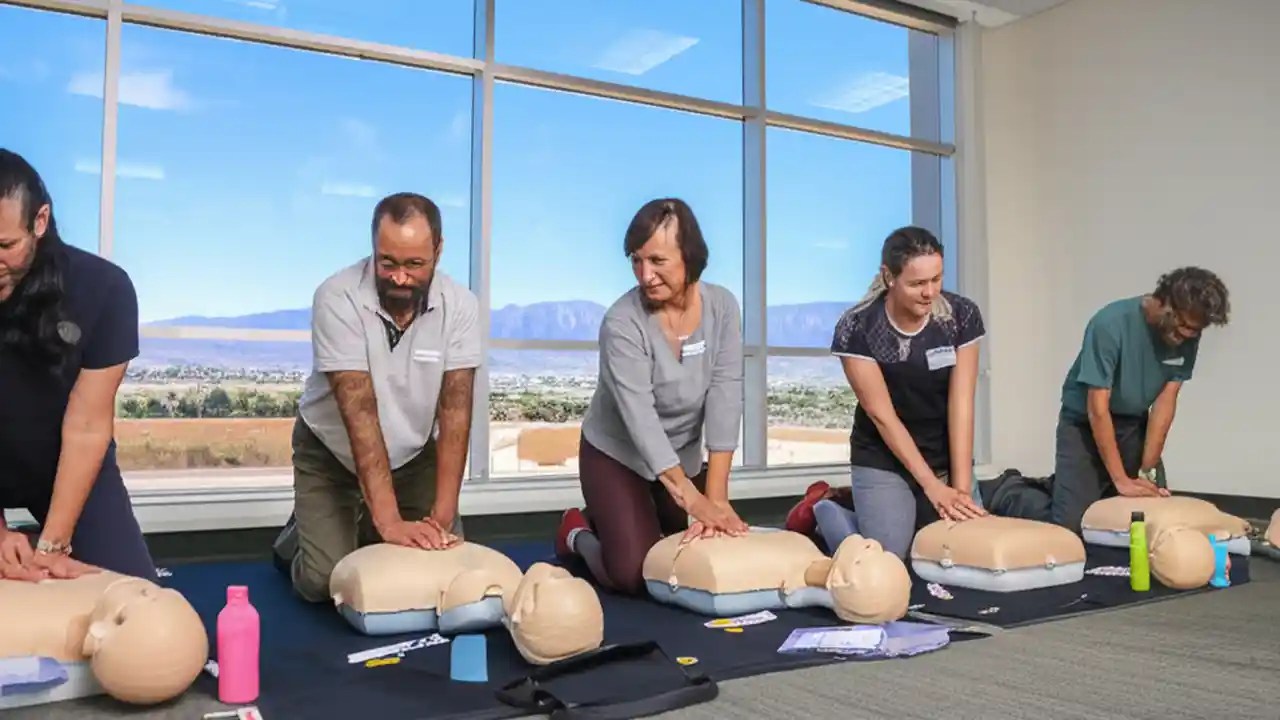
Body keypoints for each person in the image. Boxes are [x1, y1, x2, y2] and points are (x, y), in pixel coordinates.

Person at [271, 192, 482, 603]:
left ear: (438, 251)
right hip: (331, 453)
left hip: (413, 455)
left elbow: (455, 412)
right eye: (388, 262)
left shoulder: (461, 306)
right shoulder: (337, 297)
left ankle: (364, 520)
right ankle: (296, 539)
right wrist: (390, 524)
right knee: (326, 583)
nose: (400, 278)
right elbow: (360, 417)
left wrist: (443, 513)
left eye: (414, 265)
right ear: (373, 249)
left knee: (446, 566)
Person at [555, 198, 750, 596]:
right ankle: (577, 531)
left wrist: (715, 499)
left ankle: (627, 515)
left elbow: (726, 396)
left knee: (704, 549)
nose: (645, 275)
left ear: (690, 254)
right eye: (636, 261)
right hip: (617, 454)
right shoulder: (622, 322)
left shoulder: (723, 308)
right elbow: (640, 420)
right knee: (632, 572)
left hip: (682, 454)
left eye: (658, 260)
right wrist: (694, 503)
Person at [784, 226, 987, 560]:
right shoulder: (858, 327)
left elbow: (961, 402)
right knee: (887, 560)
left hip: (942, 453)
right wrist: (933, 487)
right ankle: (828, 511)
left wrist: (960, 490)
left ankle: (899, 507)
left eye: (936, 279)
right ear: (888, 277)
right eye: (917, 283)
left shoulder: (960, 316)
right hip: (883, 458)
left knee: (964, 549)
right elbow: (883, 416)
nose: (930, 292)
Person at [0, 148, 154, 582]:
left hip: (66, 459)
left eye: (5, 246)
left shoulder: (104, 289)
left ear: (40, 221)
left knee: (137, 599)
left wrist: (51, 545)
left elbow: (88, 424)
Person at [984, 267, 1230, 534]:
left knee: (1144, 517)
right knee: (1071, 526)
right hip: (1084, 423)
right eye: (1183, 325)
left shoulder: (1187, 335)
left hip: (1133, 424)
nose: (1188, 336)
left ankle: (1068, 486)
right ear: (1165, 302)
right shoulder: (1110, 323)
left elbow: (1165, 402)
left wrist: (1147, 469)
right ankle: (1007, 490)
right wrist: (1121, 480)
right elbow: (1097, 408)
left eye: (1196, 331)